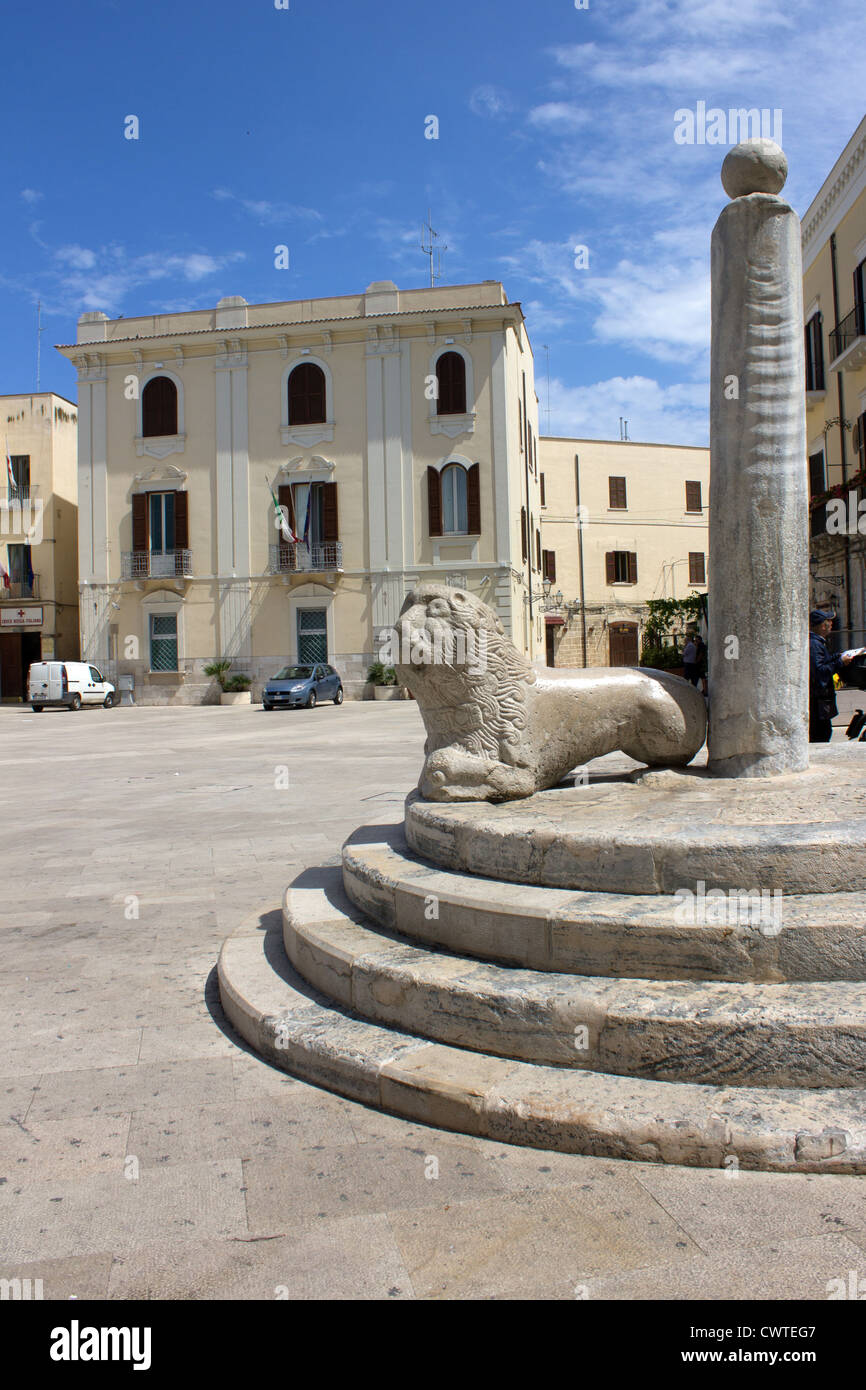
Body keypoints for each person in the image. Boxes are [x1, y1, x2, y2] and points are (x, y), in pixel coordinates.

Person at [809, 609, 861, 742]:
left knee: (823, 732)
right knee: (821, 734)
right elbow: (819, 671)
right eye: (829, 621)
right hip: (818, 702)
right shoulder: (814, 644)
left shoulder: (817, 642)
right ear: (822, 625)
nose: (831, 624)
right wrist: (840, 662)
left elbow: (823, 662)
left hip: (820, 701)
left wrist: (839, 655)